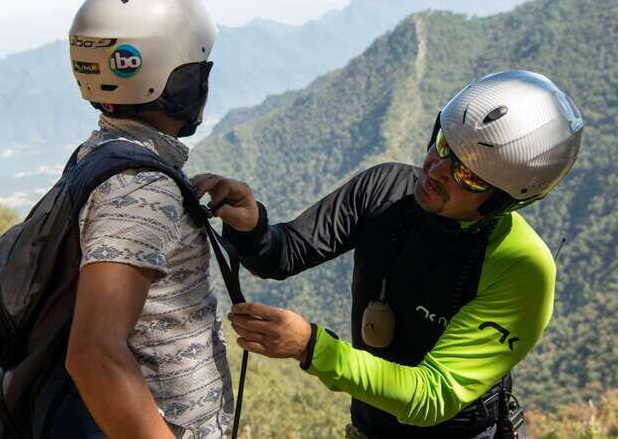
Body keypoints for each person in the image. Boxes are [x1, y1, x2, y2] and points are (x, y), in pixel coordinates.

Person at [193, 70, 583, 438]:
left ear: (502, 201)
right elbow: (284, 255)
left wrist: (311, 346)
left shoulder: (520, 269)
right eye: (444, 145)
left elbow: (434, 396)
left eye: (467, 176)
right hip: (368, 425)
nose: (436, 170)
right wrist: (252, 227)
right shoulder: (384, 191)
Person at [59, 0, 233, 438]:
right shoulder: (140, 186)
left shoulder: (97, 157)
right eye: (198, 71)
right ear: (173, 79)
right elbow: (94, 353)